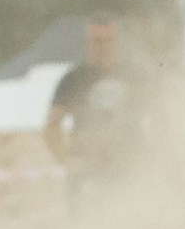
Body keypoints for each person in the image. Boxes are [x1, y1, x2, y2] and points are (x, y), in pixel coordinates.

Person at [43, 15, 139, 203]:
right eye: (96, 41)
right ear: (88, 43)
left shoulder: (133, 76)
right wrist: (66, 160)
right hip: (88, 171)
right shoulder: (74, 79)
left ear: (116, 41)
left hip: (128, 167)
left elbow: (158, 116)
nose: (102, 46)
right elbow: (51, 126)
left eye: (107, 40)